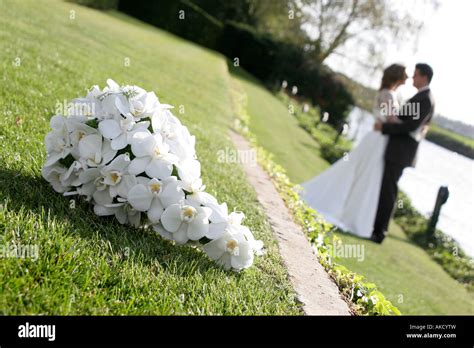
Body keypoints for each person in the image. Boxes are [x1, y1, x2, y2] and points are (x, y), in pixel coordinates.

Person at [301, 64, 408, 239]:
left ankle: (353, 213)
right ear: (398, 76)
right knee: (367, 177)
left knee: (363, 175)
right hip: (378, 140)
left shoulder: (387, 92)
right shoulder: (388, 94)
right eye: (405, 74)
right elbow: (390, 119)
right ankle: (352, 216)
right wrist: (411, 128)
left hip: (377, 138)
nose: (407, 77)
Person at [370, 63, 435, 243]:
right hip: (398, 151)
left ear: (424, 77)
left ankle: (379, 232)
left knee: (389, 191)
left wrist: (384, 127)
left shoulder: (425, 98)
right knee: (387, 189)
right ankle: (376, 227)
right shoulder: (422, 97)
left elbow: (410, 126)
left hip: (400, 152)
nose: (412, 78)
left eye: (415, 75)